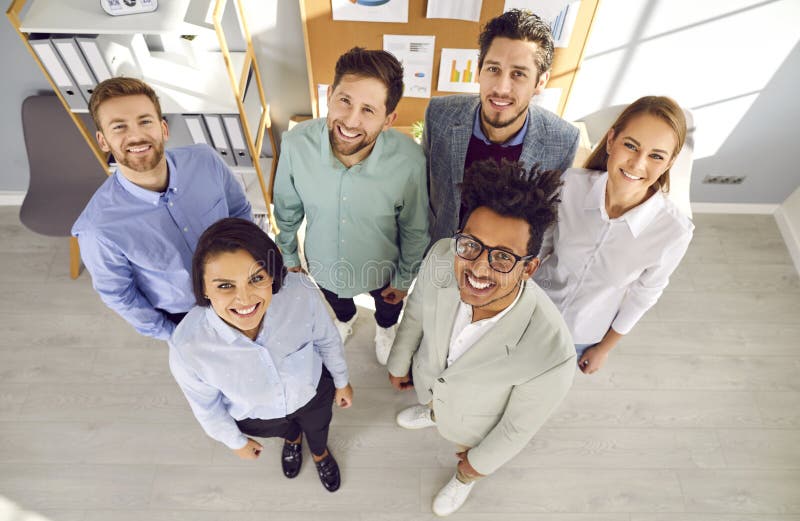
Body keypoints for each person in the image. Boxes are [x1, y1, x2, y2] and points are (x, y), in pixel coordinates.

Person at [387, 160, 575, 516]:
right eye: (471, 244)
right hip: (428, 382)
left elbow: (517, 428)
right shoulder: (443, 255)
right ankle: (432, 412)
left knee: (468, 469)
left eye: (503, 257)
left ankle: (461, 482)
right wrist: (399, 361)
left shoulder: (553, 356)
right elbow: (416, 311)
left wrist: (475, 464)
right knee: (435, 400)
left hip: (472, 427)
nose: (478, 267)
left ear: (529, 267)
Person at [169, 218, 353, 492]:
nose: (245, 299)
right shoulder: (188, 347)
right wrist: (236, 442)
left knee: (318, 428)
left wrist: (341, 380)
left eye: (256, 278)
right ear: (204, 287)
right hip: (257, 417)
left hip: (313, 394)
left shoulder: (300, 293)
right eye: (225, 286)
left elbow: (327, 339)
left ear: (272, 274)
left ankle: (319, 453)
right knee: (286, 430)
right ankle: (292, 440)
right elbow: (206, 407)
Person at [274, 47, 429, 365]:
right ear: (329, 95)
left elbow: (415, 229)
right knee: (338, 303)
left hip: (383, 268)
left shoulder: (410, 162)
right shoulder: (294, 145)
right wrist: (289, 255)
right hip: (323, 262)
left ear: (388, 120)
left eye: (368, 110)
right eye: (344, 100)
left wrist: (403, 280)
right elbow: (287, 209)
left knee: (387, 309)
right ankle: (346, 319)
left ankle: (385, 329)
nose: (350, 120)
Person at [72, 77, 252, 340]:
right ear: (103, 141)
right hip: (188, 317)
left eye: (145, 121)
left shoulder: (205, 161)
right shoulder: (96, 230)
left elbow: (239, 212)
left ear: (163, 129)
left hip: (245, 288)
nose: (136, 136)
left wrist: (255, 273)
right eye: (119, 127)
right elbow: (120, 295)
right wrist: (176, 336)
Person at [534, 95, 694, 374]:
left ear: (669, 163)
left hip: (580, 338)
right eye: (631, 146)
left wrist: (603, 349)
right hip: (531, 311)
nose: (637, 164)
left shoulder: (674, 232)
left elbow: (644, 296)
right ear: (611, 141)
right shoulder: (568, 186)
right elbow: (538, 248)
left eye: (656, 156)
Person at [425, 9, 580, 244]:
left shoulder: (563, 140)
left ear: (540, 81)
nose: (501, 88)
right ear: (478, 70)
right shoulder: (439, 114)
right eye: (493, 69)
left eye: (518, 74)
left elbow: (546, 223)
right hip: (441, 250)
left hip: (502, 261)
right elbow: (425, 193)